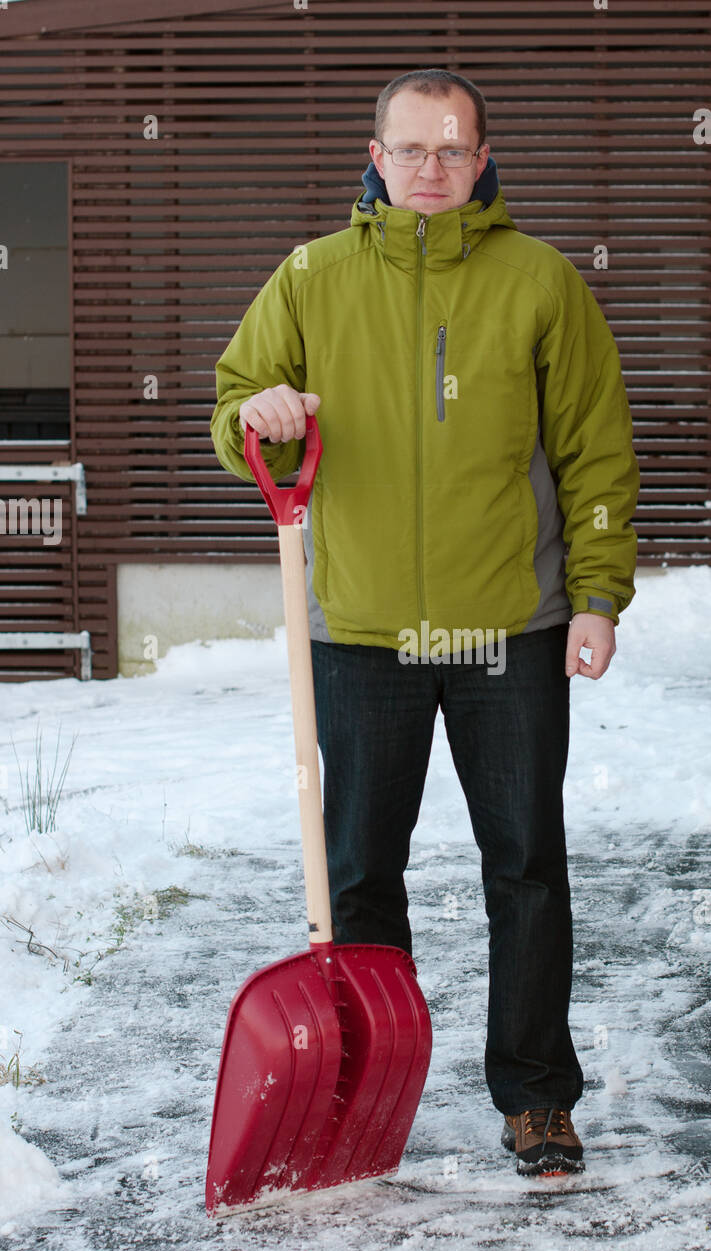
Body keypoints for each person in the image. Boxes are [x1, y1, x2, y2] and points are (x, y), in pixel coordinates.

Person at [210, 68, 640, 1177]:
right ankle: (363, 1087)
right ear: (377, 153)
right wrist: (257, 412)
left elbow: (597, 453)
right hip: (358, 633)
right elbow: (238, 408)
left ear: (483, 157)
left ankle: (537, 1095)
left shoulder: (543, 284)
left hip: (512, 626)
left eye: (452, 151)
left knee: (528, 864)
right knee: (358, 870)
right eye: (412, 150)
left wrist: (597, 595)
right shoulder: (311, 278)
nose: (432, 170)